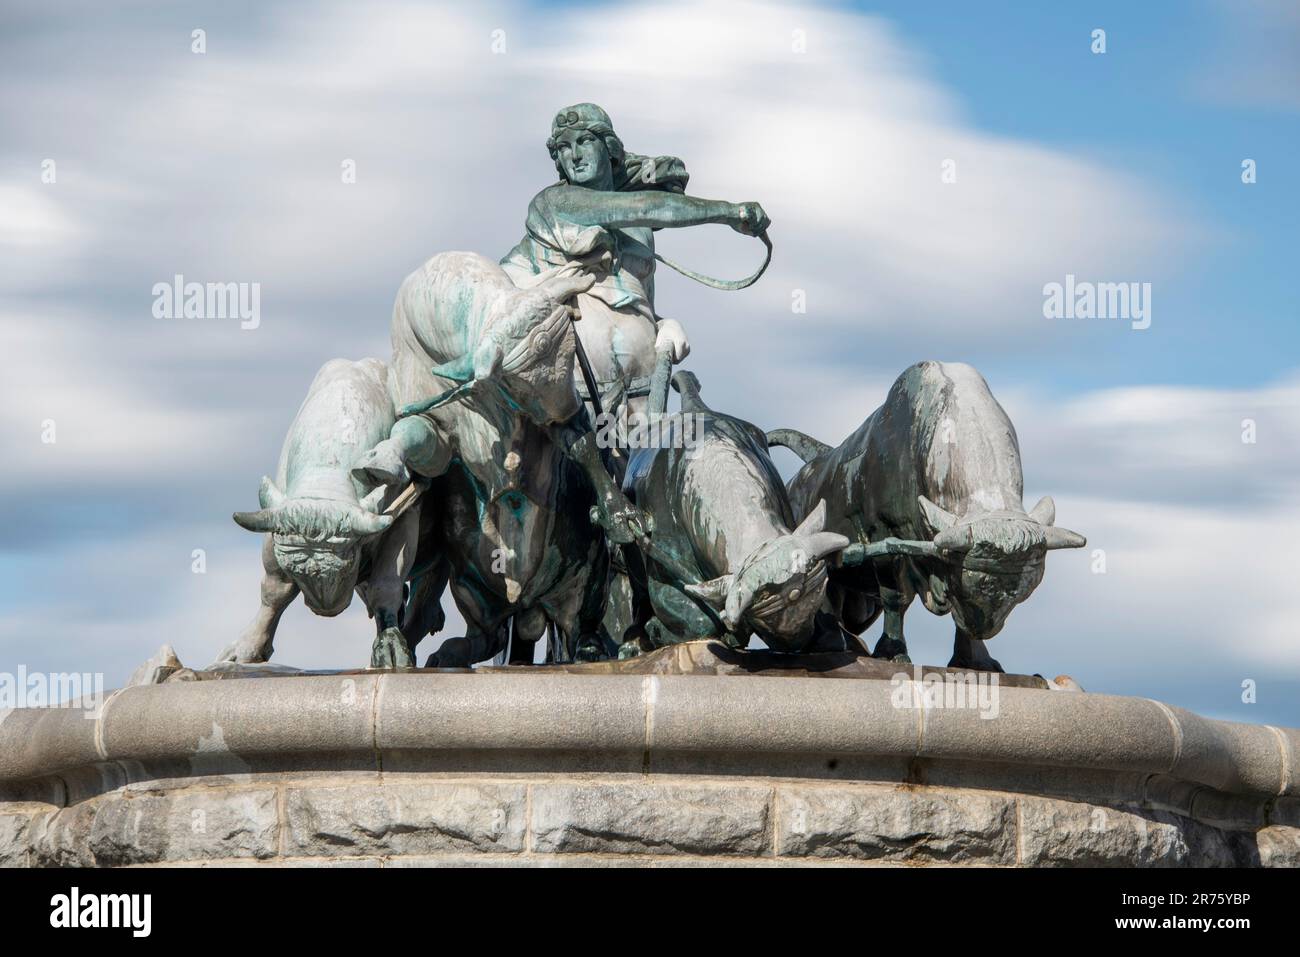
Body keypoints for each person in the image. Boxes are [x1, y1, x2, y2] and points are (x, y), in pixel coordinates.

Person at [501, 103, 769, 428]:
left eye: (584, 141)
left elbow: (638, 300)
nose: (574, 155)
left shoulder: (639, 231)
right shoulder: (555, 203)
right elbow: (650, 205)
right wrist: (730, 212)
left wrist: (661, 324)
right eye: (563, 147)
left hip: (637, 396)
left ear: (609, 148)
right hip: (568, 395)